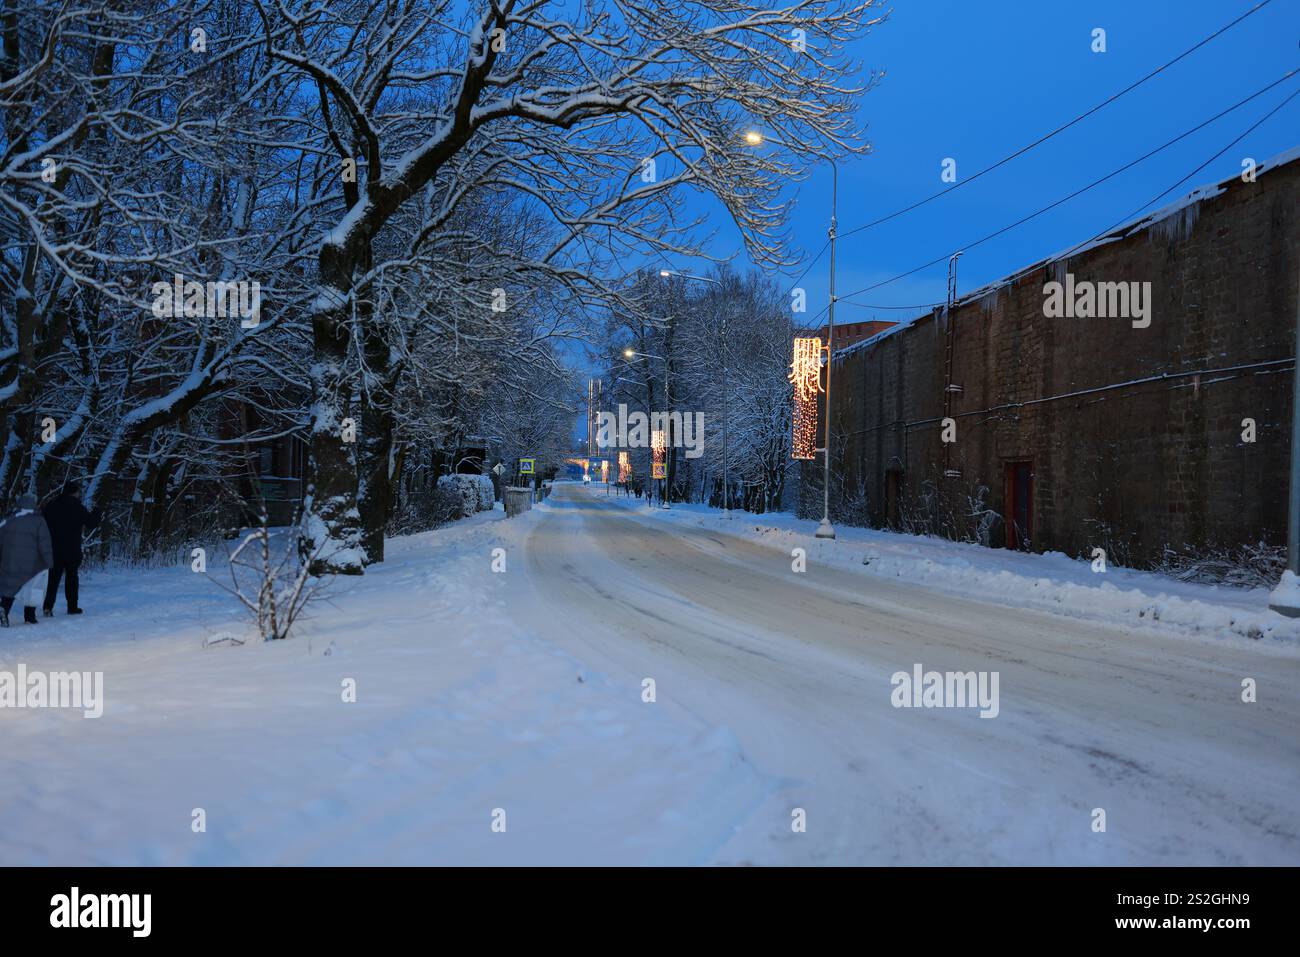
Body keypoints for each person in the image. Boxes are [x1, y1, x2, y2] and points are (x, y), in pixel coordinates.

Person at [42, 482, 102, 616]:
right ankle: (72, 607)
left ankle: (47, 606)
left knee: (53, 579)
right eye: (78, 492)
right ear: (74, 492)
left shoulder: (51, 505)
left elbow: (42, 523)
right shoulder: (78, 507)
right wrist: (97, 512)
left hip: (54, 548)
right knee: (72, 578)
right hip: (72, 549)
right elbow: (91, 523)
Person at [0, 492, 54, 626]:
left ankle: (4, 610)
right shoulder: (39, 520)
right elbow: (44, 542)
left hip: (10, 559)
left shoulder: (10, 519)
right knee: (33, 587)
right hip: (32, 562)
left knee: (10, 586)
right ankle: (30, 616)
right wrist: (49, 560)